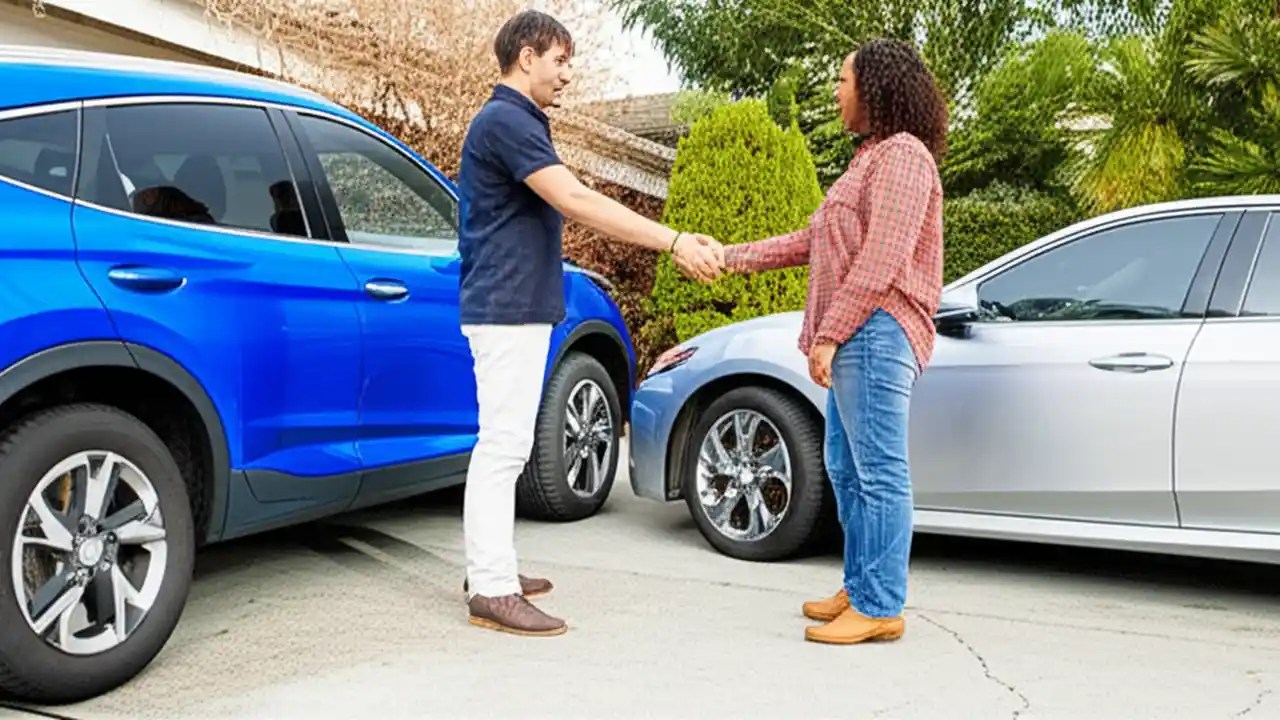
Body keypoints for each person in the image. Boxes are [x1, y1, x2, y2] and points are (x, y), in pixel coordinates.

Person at [456, 9, 724, 637]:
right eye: (560, 60)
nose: (568, 74)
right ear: (527, 56)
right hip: (506, 311)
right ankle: (491, 588)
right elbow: (574, 198)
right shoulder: (504, 120)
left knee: (507, 444)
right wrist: (674, 240)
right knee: (502, 447)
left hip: (514, 308)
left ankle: (491, 566)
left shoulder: (515, 121)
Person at [723, 38, 947, 645]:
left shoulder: (904, 156)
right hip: (859, 331)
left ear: (874, 89)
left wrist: (829, 334)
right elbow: (813, 239)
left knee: (877, 471)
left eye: (843, 81)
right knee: (844, 467)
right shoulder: (868, 159)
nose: (837, 91)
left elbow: (881, 260)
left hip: (878, 329)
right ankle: (862, 582)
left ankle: (879, 606)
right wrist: (730, 258)